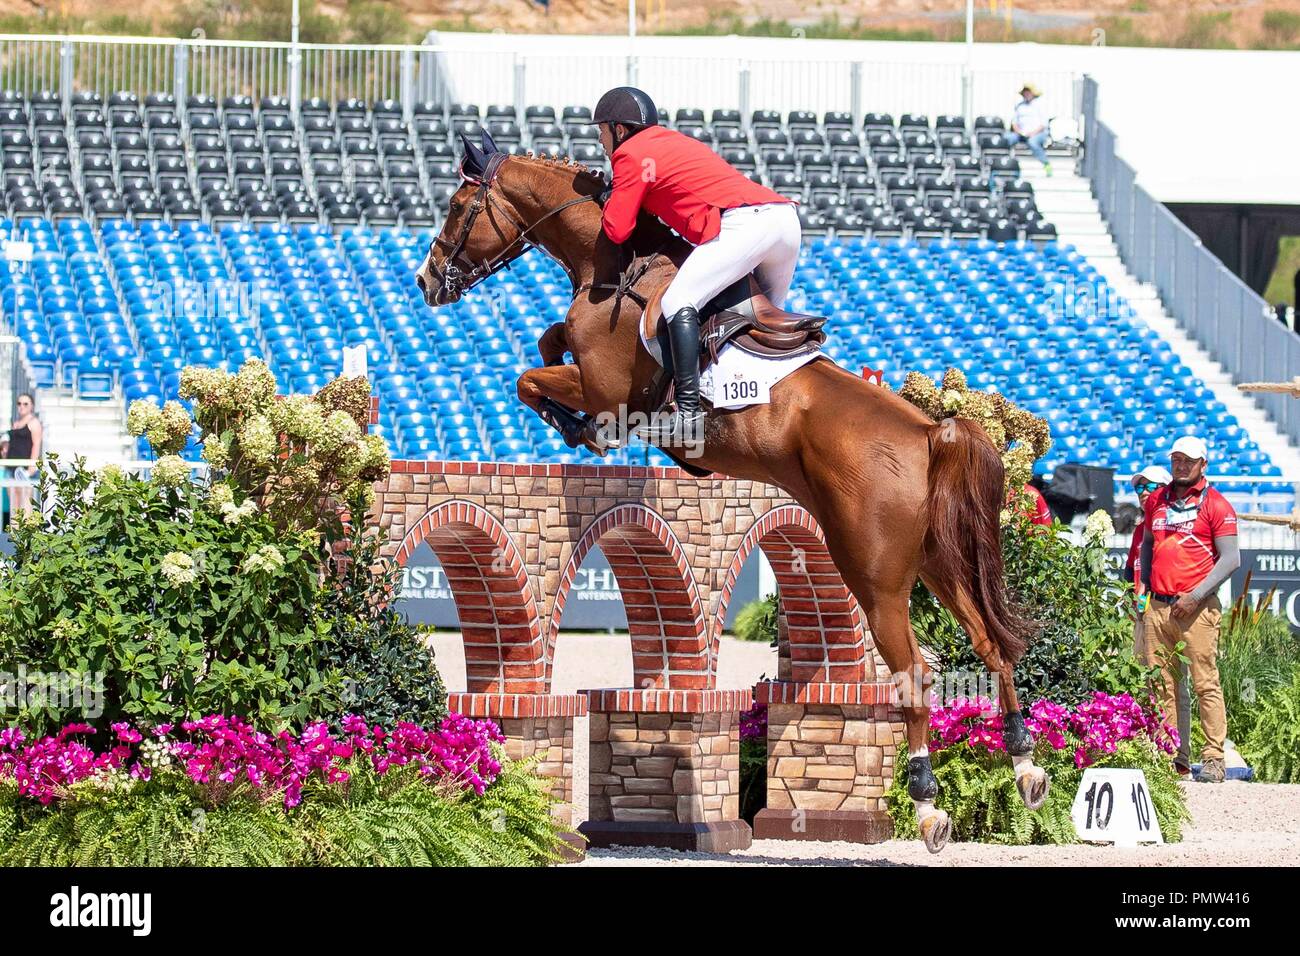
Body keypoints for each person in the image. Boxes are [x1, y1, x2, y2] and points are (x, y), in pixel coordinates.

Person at [593, 86, 799, 441]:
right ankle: (749, 402)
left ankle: (689, 414)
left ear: (620, 129)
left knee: (676, 301)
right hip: (784, 221)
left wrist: (609, 198)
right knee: (758, 324)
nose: (600, 141)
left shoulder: (630, 153)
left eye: (602, 131)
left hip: (746, 224)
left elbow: (617, 228)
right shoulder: (668, 141)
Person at [1140, 436, 1239, 783]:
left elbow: (1231, 560)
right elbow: (1148, 545)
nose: (1181, 465)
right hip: (1159, 606)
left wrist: (1196, 596)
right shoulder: (1156, 499)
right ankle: (1171, 759)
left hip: (1196, 608)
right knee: (1161, 686)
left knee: (1204, 684)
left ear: (1203, 464)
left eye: (1189, 460)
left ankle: (1213, 758)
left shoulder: (1217, 504)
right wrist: (1148, 589)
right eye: (1177, 459)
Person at [1126, 464, 1192, 773]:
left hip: (1170, 609)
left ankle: (1180, 754)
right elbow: (1130, 570)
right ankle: (1155, 749)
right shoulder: (1141, 530)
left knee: (1176, 686)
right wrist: (1133, 599)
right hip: (1143, 615)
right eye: (1139, 488)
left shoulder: (1172, 526)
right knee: (1149, 683)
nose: (1143, 493)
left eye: (1149, 487)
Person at [1, 393, 43, 515]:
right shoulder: (16, 423)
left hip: (24, 468)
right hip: (11, 467)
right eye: (19, 403)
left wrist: (30, 469)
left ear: (32, 406)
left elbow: (36, 445)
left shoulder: (34, 423)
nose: (22, 406)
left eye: (25, 404)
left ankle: (26, 532)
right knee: (14, 503)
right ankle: (14, 532)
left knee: (25, 502)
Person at [1005, 83, 1052, 176]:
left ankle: (1046, 164)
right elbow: (1014, 122)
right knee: (1007, 138)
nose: (1026, 94)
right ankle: (1007, 165)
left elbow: (1043, 124)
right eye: (1025, 92)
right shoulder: (1019, 106)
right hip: (1021, 133)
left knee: (1032, 142)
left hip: (1038, 133)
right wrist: (1019, 131)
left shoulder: (1040, 105)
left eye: (1028, 92)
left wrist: (1032, 133)